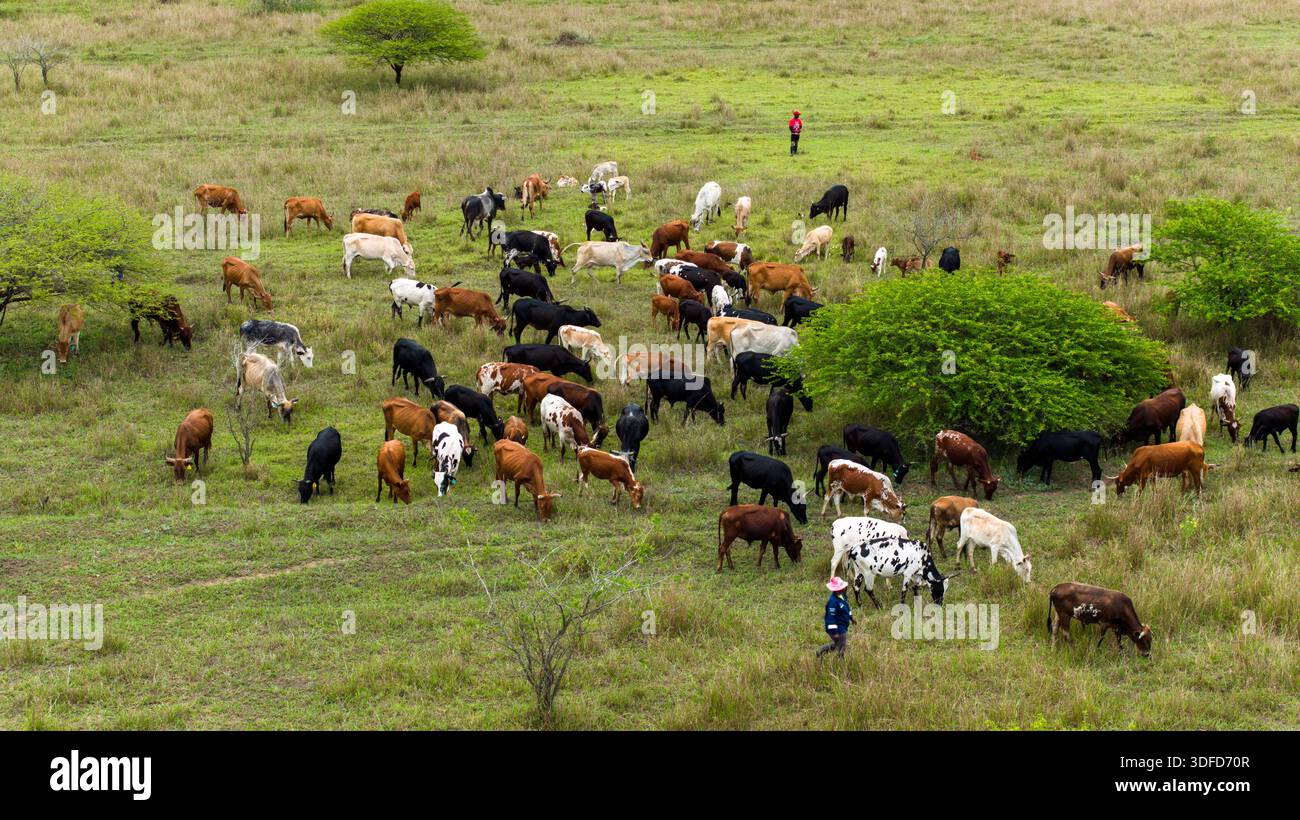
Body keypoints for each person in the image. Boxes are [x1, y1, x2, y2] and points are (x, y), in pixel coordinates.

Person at [816, 576, 853, 658]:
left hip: (842, 625)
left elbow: (847, 608)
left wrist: (851, 617)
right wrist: (834, 632)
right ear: (837, 590)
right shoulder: (832, 602)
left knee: (838, 644)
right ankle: (840, 660)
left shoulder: (842, 596)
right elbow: (830, 618)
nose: (844, 589)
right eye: (842, 588)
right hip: (838, 628)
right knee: (842, 644)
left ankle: (821, 651)